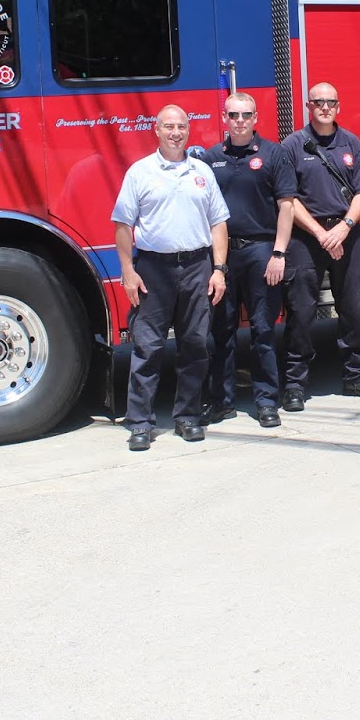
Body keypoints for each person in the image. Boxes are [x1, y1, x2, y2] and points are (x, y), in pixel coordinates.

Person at [111, 104, 231, 451]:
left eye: (181, 126)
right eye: (168, 127)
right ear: (156, 130)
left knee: (195, 347)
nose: (175, 133)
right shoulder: (140, 172)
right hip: (153, 270)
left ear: (188, 130)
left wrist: (219, 270)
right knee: (147, 348)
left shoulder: (202, 172)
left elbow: (218, 223)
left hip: (197, 267)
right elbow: (123, 225)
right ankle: (140, 423)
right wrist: (128, 272)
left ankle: (188, 417)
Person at [281, 82, 360, 409]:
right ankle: (295, 384)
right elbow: (288, 198)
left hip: (346, 233)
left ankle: (356, 376)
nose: (324, 107)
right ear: (308, 106)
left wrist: (342, 228)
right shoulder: (292, 145)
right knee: (301, 311)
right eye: (318, 102)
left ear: (338, 106)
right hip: (306, 236)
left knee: (353, 307)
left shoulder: (351, 142)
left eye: (330, 102)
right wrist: (320, 233)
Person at [201, 91, 297, 429]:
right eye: (233, 115)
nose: (239, 121)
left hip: (262, 253)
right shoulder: (210, 158)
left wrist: (279, 253)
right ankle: (221, 401)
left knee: (263, 330)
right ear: (224, 118)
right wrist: (216, 265)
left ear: (256, 118)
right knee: (222, 332)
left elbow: (287, 206)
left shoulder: (274, 154)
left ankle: (267, 401)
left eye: (246, 115)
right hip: (224, 256)